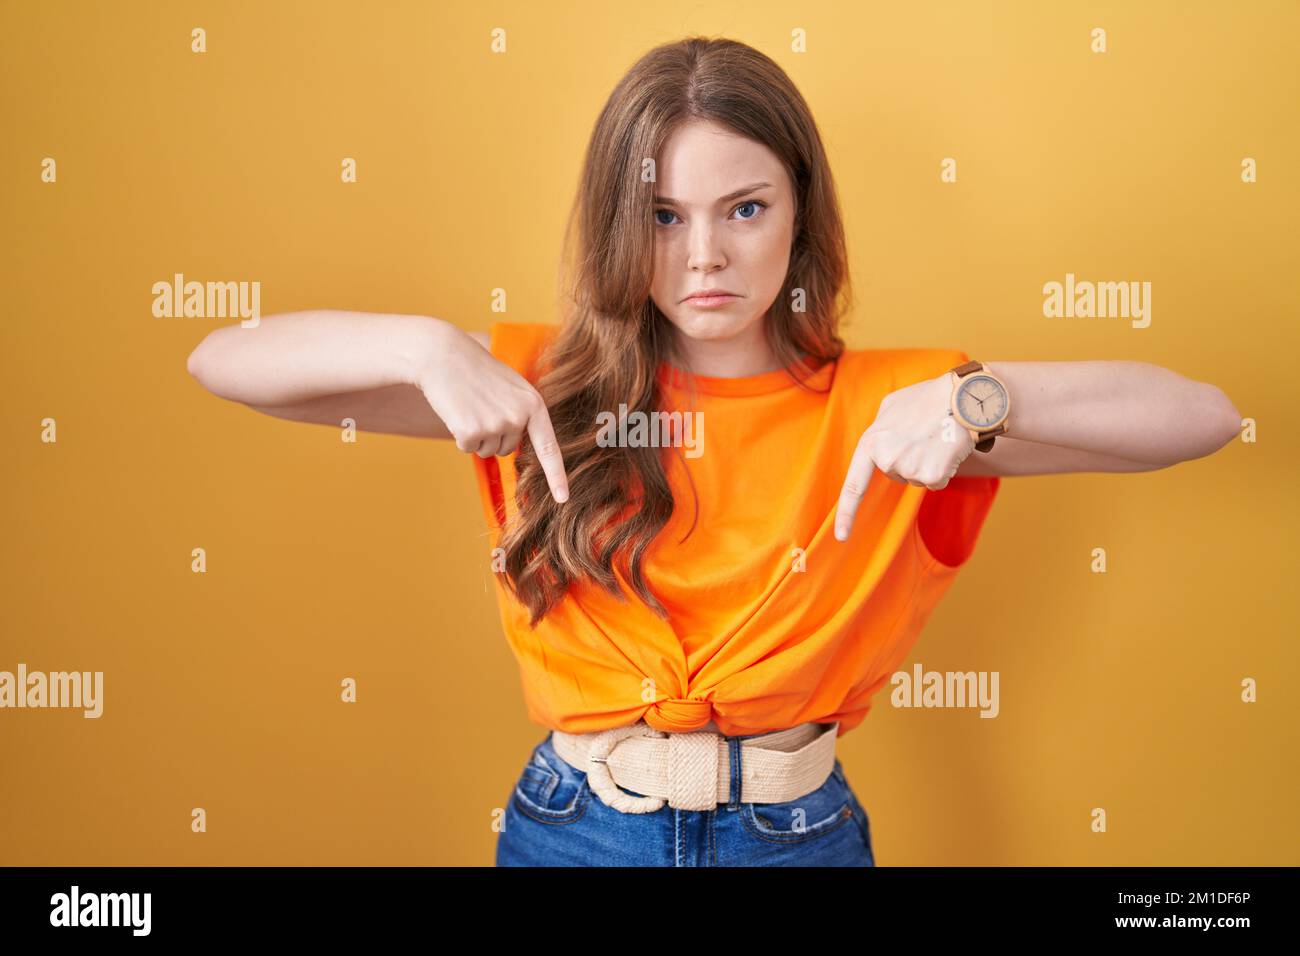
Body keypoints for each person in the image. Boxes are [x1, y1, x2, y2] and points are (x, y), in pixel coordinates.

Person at [185, 37, 1241, 867]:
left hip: (797, 836)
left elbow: (1201, 417)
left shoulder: (907, 409)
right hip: (572, 830)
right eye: (662, 215)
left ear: (799, 214)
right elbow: (223, 359)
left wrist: (982, 399)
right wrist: (421, 347)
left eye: (744, 208)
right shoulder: (541, 386)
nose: (704, 256)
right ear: (619, 223)